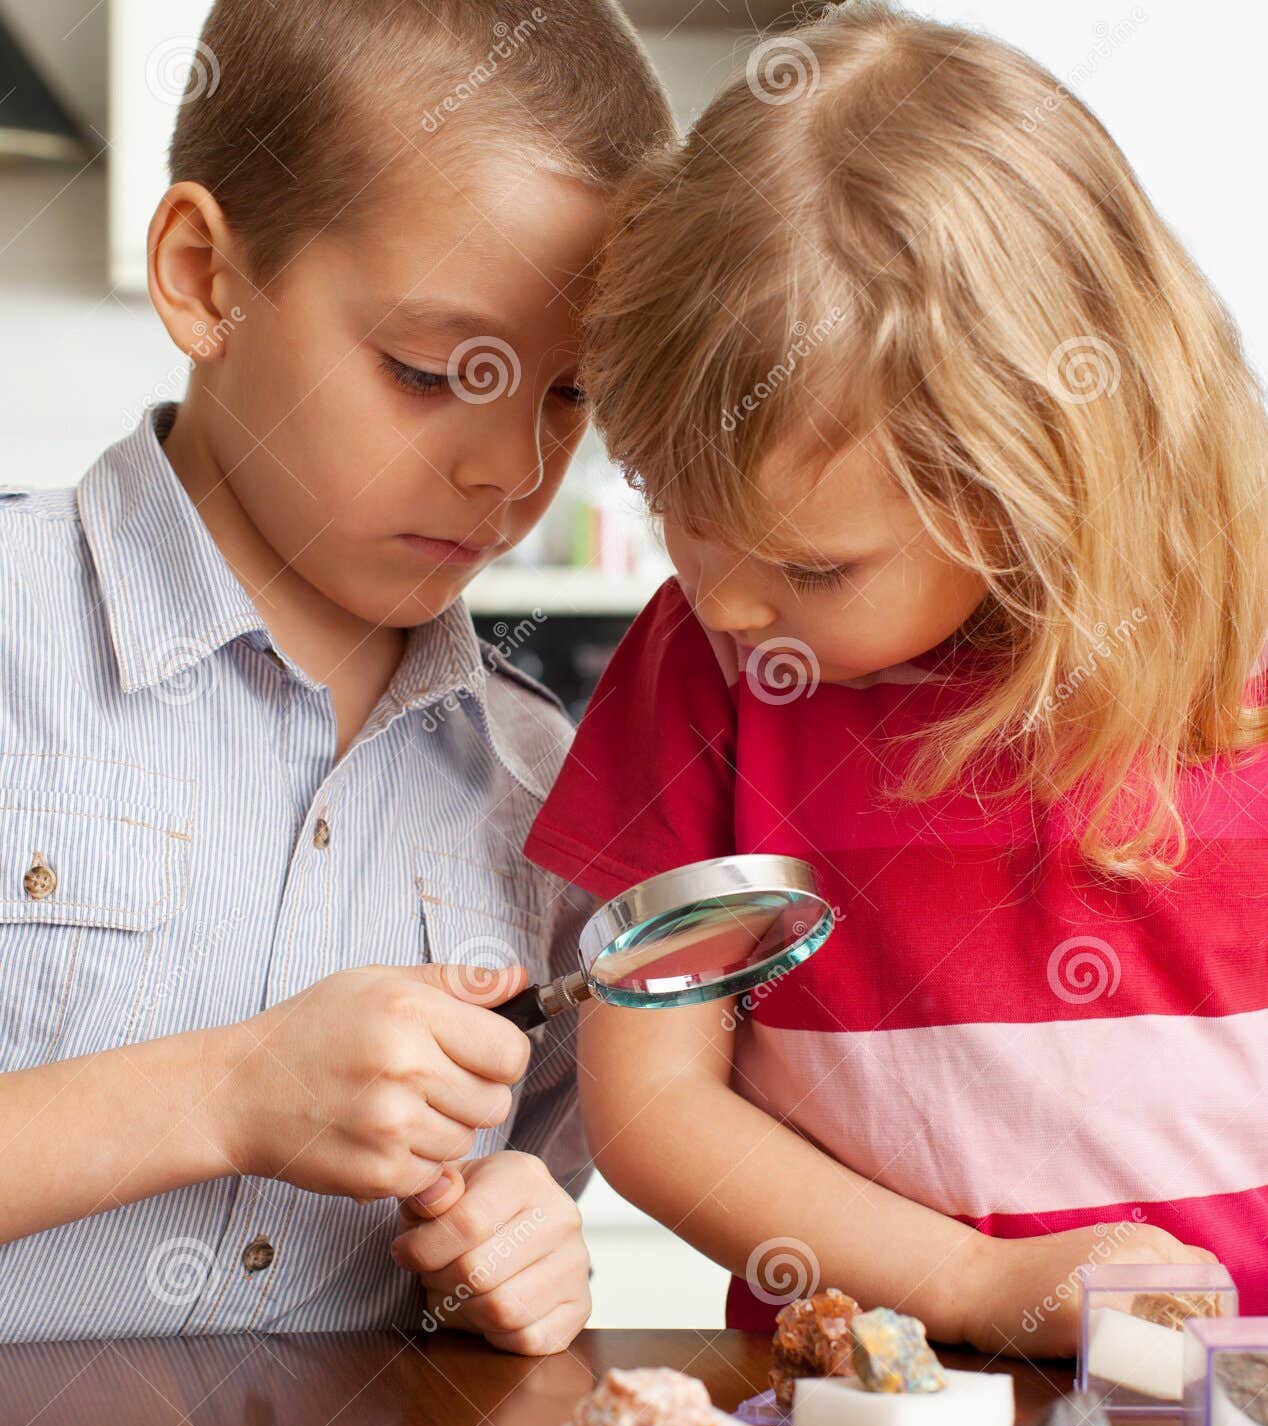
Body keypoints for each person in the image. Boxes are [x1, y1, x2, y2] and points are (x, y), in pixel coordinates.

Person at [525, 1, 1268, 1350]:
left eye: (814, 572)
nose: (726, 598)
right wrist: (980, 1287)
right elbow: (652, 1110)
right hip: (860, 1409)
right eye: (681, 515)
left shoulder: (1242, 657)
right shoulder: (699, 675)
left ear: (1028, 487)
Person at [0, 0, 673, 1347]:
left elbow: (493, 1221)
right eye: (428, 371)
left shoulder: (546, 797)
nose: (510, 470)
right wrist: (224, 1092)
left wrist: (508, 1253)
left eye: (566, 395)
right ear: (203, 276)